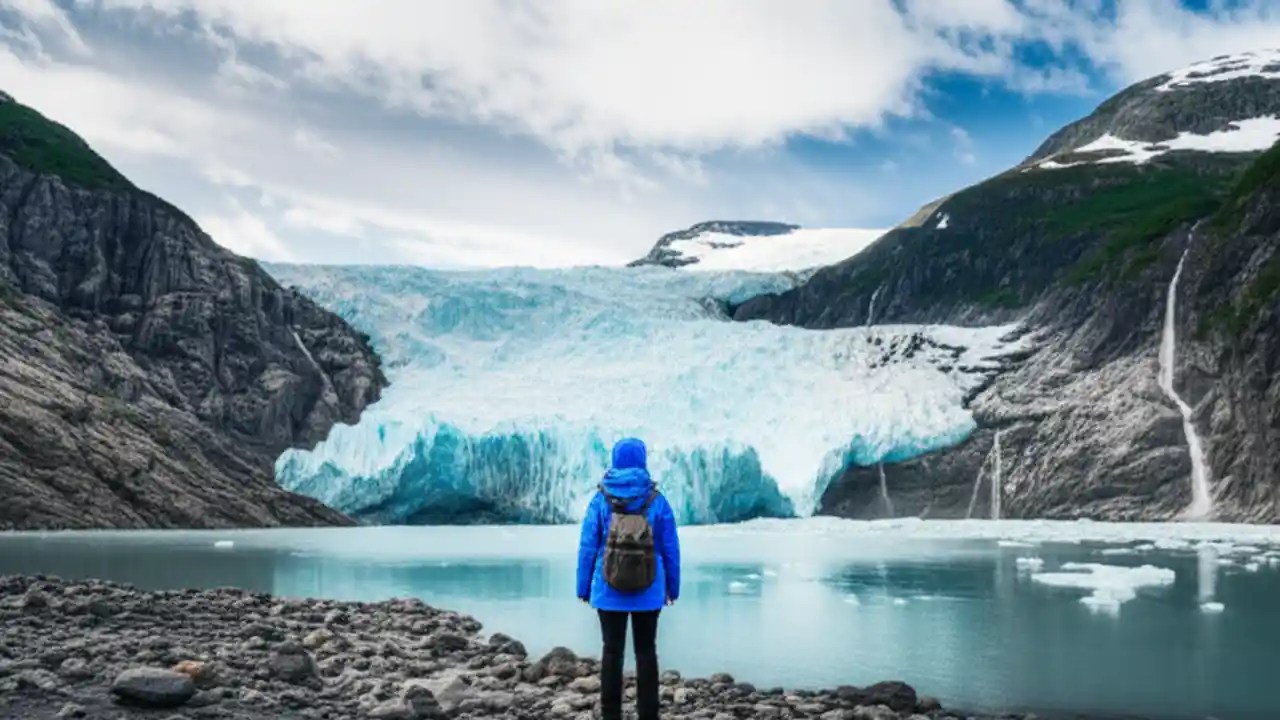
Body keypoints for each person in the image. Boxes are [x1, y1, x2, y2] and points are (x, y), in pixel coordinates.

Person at [576, 437, 680, 720]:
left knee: (612, 652)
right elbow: (670, 548)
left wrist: (583, 586)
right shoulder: (657, 500)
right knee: (646, 651)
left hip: (608, 588)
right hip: (650, 589)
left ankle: (611, 715)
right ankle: (648, 715)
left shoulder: (601, 499)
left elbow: (588, 546)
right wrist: (673, 587)